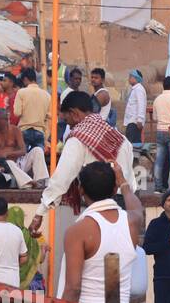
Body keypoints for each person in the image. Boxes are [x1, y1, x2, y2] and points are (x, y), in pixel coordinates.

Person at [28, 91, 135, 238]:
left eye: (67, 120)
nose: (69, 127)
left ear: (74, 114)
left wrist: (40, 213)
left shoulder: (78, 139)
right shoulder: (121, 139)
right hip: (126, 208)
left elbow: (61, 179)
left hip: (100, 208)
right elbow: (131, 183)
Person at [61, 161, 144, 303]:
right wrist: (123, 182)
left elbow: (73, 289)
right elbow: (137, 208)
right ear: (114, 189)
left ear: (80, 190)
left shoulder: (77, 231)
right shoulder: (132, 222)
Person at [0, 109, 48, 189]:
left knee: (38, 150)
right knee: (8, 162)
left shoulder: (15, 130)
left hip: (18, 163)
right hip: (1, 166)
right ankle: (30, 183)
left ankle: (40, 181)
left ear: (6, 120)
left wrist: (8, 154)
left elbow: (23, 151)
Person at [151, 75, 170, 191]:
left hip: (160, 131)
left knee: (159, 161)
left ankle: (158, 187)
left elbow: (154, 117)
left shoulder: (157, 99)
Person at [13, 68, 51, 151]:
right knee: (38, 158)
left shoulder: (21, 92)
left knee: (22, 160)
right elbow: (49, 116)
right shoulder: (47, 95)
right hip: (40, 131)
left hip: (24, 130)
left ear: (25, 79)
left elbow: (17, 113)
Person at [122, 70, 146, 143]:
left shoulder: (139, 89)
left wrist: (140, 120)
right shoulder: (134, 89)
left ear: (136, 78)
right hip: (131, 121)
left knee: (133, 144)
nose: (129, 79)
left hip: (134, 122)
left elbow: (141, 104)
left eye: (130, 77)